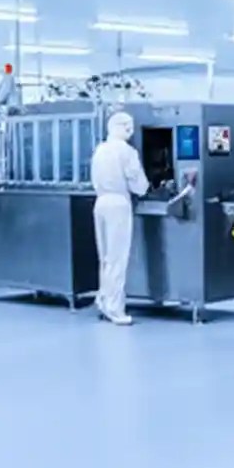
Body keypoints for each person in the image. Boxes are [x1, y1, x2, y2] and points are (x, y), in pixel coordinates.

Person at [90, 111, 149, 325]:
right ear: (120, 127)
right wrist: (147, 188)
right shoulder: (127, 151)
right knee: (117, 258)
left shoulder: (100, 150)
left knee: (105, 257)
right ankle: (115, 309)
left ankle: (103, 299)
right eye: (128, 127)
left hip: (100, 202)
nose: (131, 132)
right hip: (118, 204)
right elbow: (139, 185)